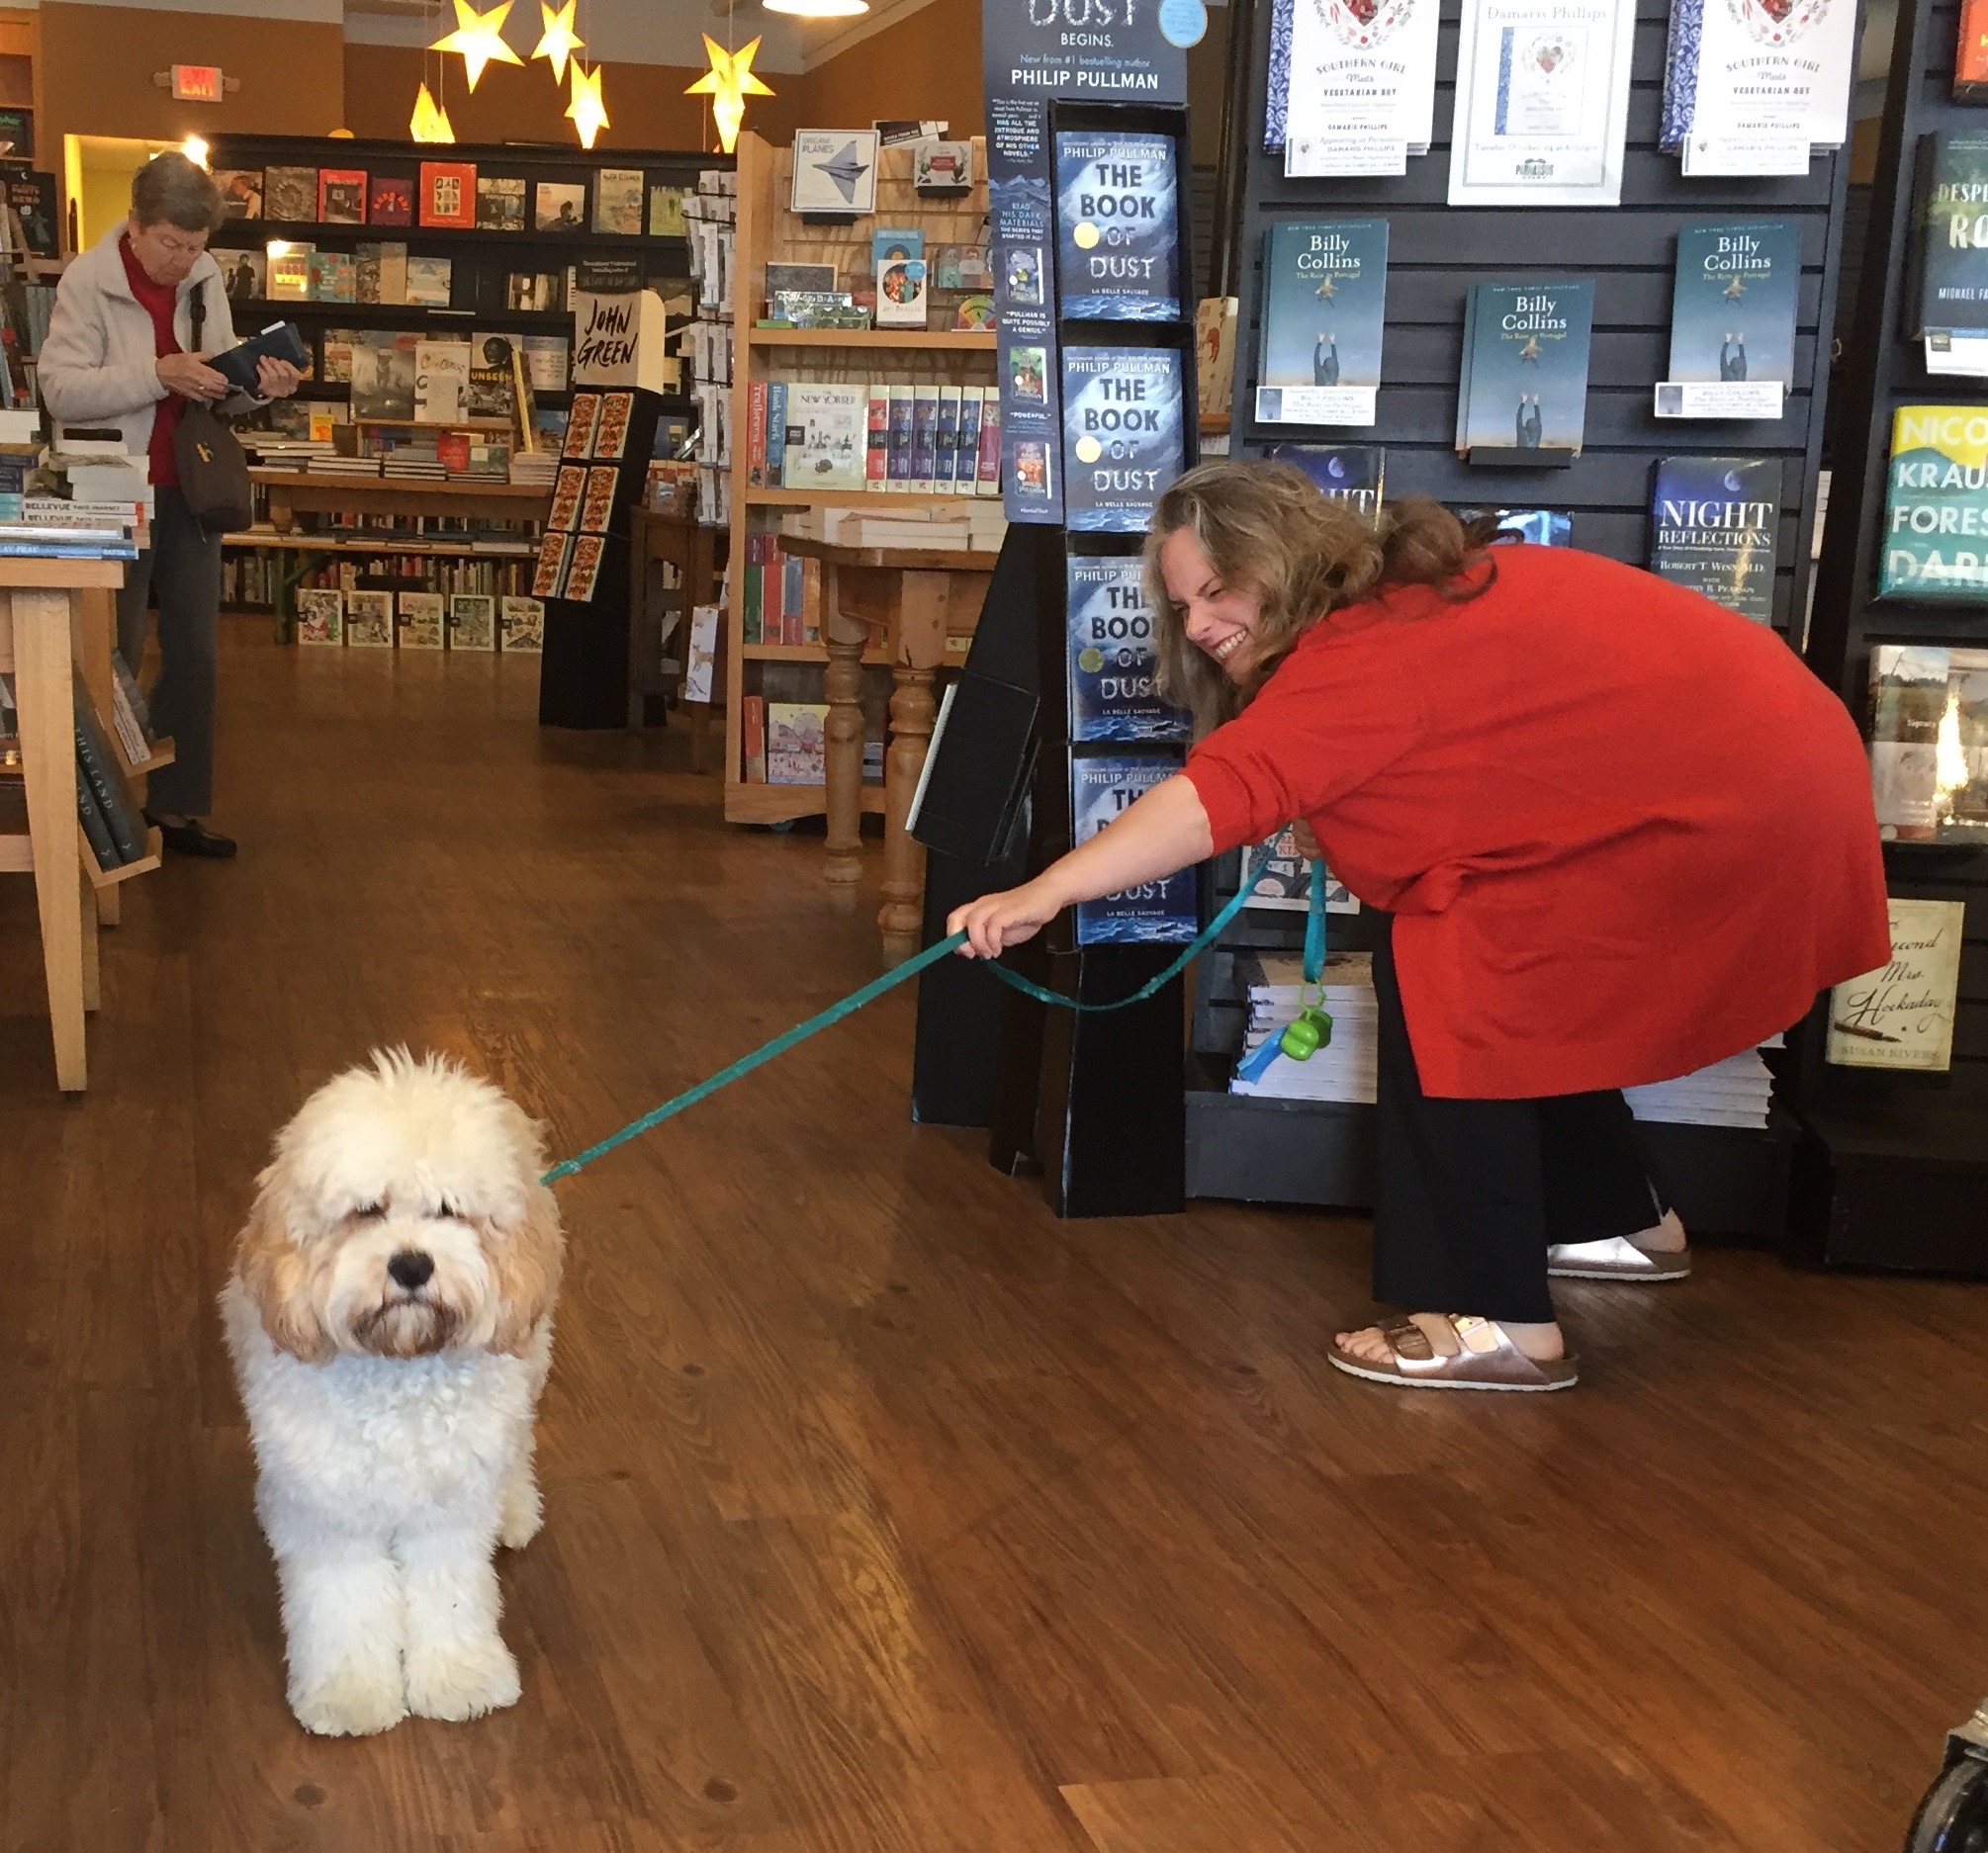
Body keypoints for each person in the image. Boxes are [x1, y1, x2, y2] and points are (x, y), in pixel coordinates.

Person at [950, 461, 1890, 1392]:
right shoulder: (1412, 602)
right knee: (1513, 961)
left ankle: (1494, 1317)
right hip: (1783, 773)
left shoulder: (1359, 652)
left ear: (1281, 561)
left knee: (1455, 960)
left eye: (1218, 590)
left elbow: (1215, 799)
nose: (1197, 625)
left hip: (1751, 805)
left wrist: (1047, 892)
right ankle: (1614, 1219)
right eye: (1183, 604)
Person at [40, 151, 302, 858]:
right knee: (112, 652)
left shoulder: (204, 276)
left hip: (192, 485)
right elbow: (61, 391)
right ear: (134, 224)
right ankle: (105, 819)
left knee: (194, 654)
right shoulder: (88, 281)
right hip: (108, 488)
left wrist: (258, 387)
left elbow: (217, 390)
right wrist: (159, 373)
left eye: (195, 246)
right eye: (171, 244)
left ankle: (176, 809)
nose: (183, 260)